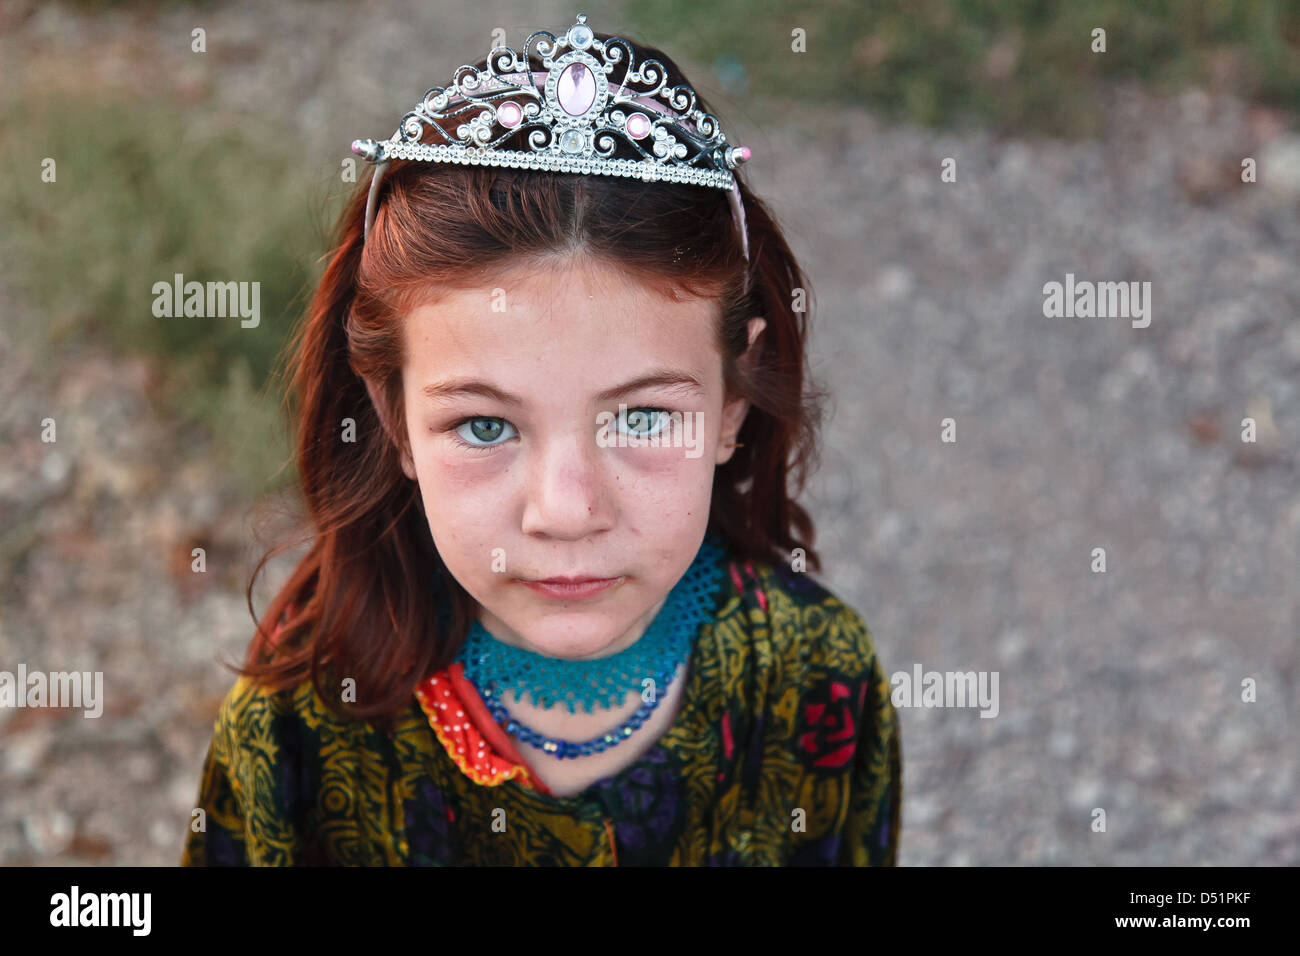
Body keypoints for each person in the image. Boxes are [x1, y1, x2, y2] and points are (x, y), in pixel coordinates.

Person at [181, 14, 900, 866]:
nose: (565, 513)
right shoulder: (297, 724)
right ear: (392, 417)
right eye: (484, 425)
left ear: (733, 404)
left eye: (641, 417)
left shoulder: (820, 675)